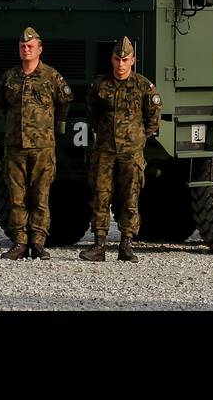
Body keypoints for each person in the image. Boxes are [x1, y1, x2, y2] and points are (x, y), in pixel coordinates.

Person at [80, 36, 161, 262]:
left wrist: (137, 138)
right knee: (100, 195)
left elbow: (153, 119)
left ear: (132, 60)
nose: (121, 64)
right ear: (112, 60)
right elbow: (92, 115)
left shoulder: (144, 87)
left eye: (125, 59)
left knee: (130, 197)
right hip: (104, 150)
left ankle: (126, 244)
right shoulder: (100, 86)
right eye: (117, 59)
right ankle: (99, 245)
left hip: (131, 152)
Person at [0, 27, 72, 260]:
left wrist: (50, 127)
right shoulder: (9, 78)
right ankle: (19, 242)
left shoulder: (51, 77)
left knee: (40, 195)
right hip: (15, 147)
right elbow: (1, 104)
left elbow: (64, 102)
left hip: (42, 147)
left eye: (30, 46)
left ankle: (38, 242)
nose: (26, 49)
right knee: (16, 197)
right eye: (22, 46)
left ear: (40, 49)